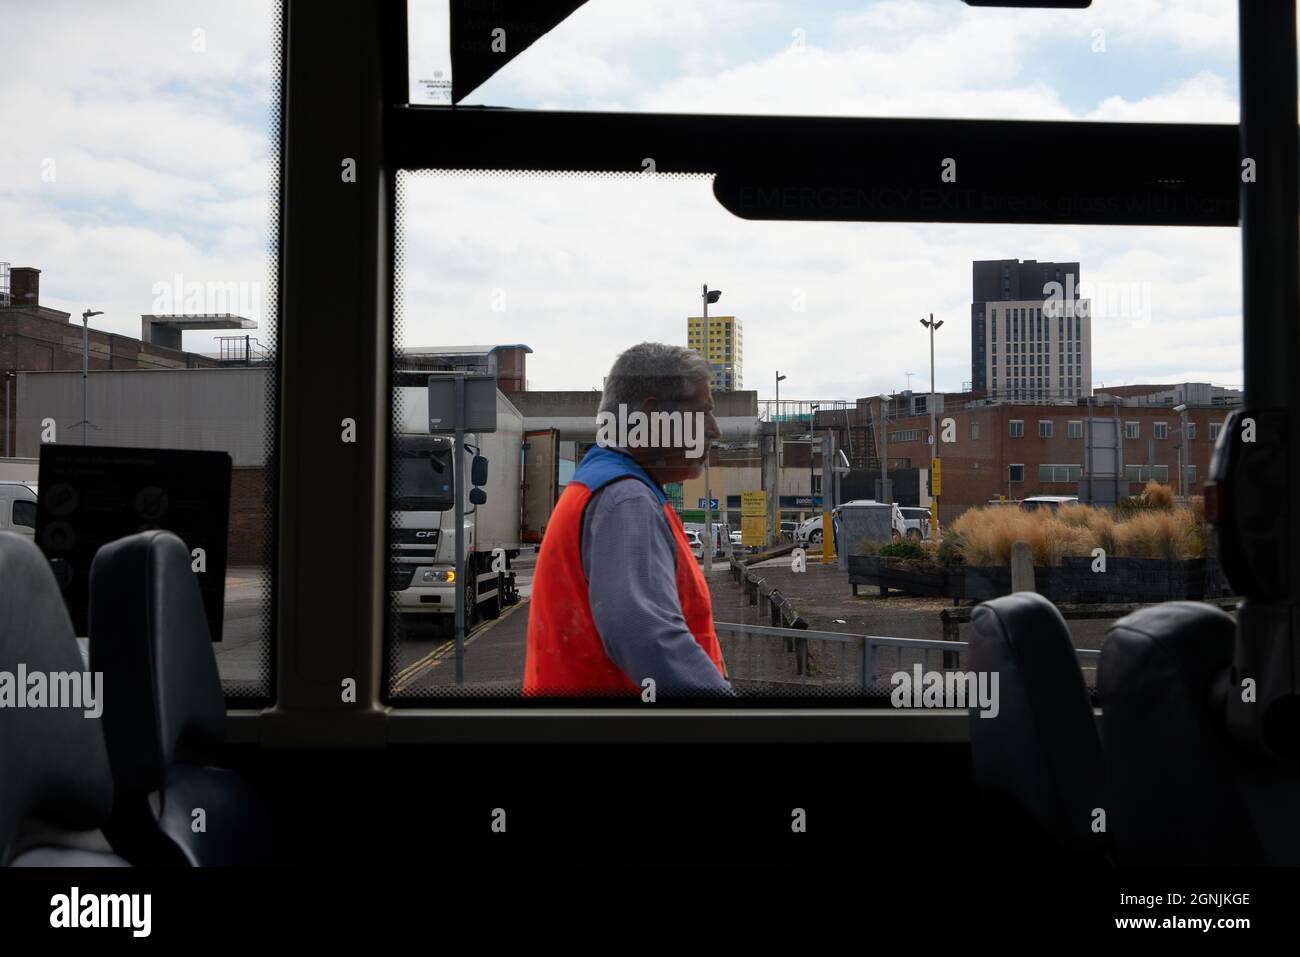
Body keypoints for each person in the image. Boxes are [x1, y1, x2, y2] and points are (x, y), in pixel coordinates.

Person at [524, 343, 734, 697]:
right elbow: (647, 638)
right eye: (702, 413)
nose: (715, 430)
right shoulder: (626, 499)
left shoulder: (601, 484)